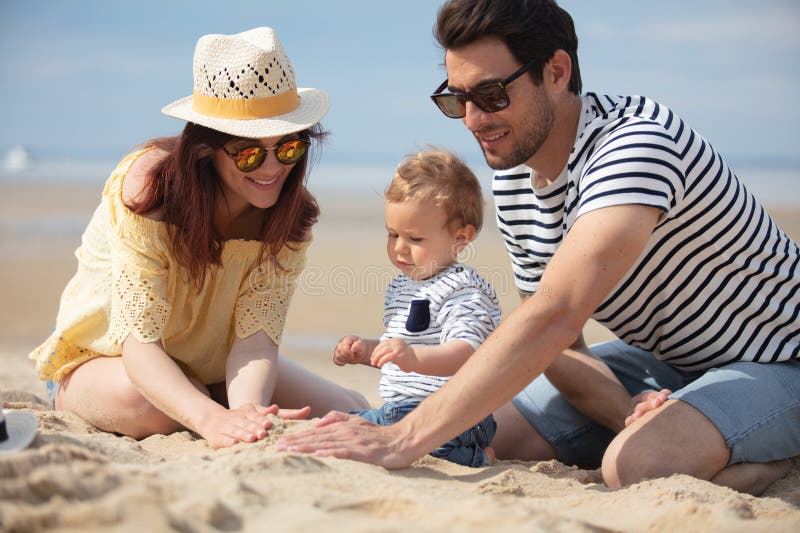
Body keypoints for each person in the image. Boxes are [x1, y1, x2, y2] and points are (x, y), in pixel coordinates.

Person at [276, 0, 800, 495]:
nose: (474, 120)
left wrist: (402, 438)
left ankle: (779, 463)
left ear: (556, 72)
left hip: (782, 358)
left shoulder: (636, 146)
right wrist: (626, 413)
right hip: (669, 361)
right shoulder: (515, 178)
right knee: (486, 434)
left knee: (636, 465)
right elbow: (561, 345)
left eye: (492, 95)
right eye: (457, 99)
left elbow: (555, 314)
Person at [29, 27, 368, 449]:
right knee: (153, 407)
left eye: (288, 148)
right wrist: (210, 419)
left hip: (215, 367)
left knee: (349, 408)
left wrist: (244, 411)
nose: (270, 169)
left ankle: (208, 397)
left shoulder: (291, 216)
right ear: (207, 147)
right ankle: (170, 398)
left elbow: (256, 339)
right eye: (248, 152)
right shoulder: (149, 193)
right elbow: (139, 345)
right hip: (108, 361)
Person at [333, 150, 501, 467]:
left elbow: (469, 353)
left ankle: (480, 455)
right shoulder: (402, 287)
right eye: (392, 234)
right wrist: (365, 350)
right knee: (340, 424)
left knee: (433, 449)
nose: (398, 247)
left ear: (460, 238)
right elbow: (397, 355)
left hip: (452, 415)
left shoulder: (463, 289)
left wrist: (413, 358)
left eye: (415, 238)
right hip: (398, 409)